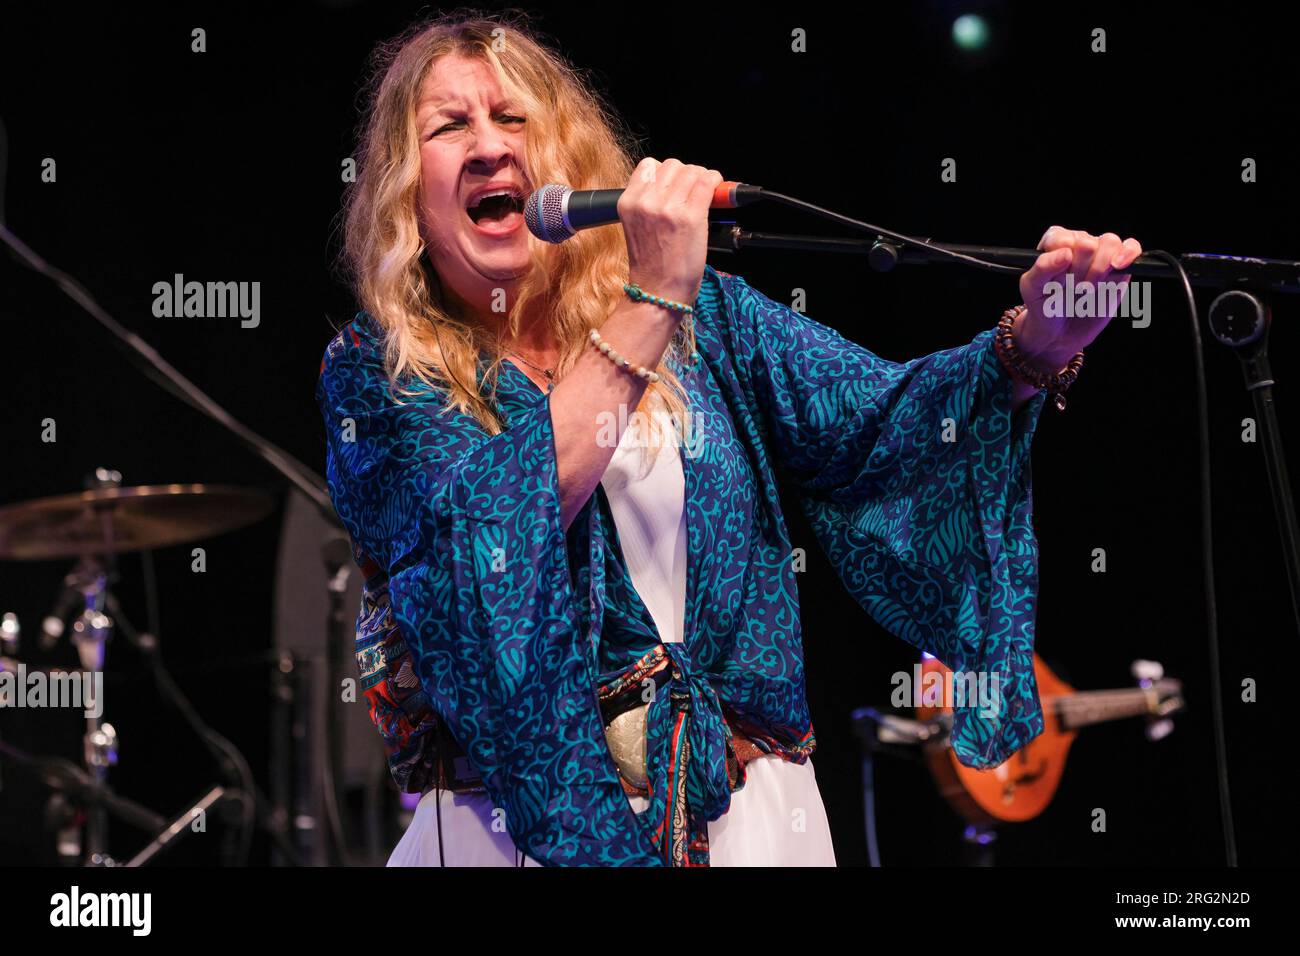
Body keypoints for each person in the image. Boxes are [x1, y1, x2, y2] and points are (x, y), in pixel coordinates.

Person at [316, 11, 1142, 867]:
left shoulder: (707, 320)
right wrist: (651, 302)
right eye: (451, 127)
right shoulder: (377, 378)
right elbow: (490, 529)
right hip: (508, 838)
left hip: (755, 822)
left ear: (565, 160)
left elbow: (883, 422)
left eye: (513, 117)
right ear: (407, 189)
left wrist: (1038, 343)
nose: (489, 147)